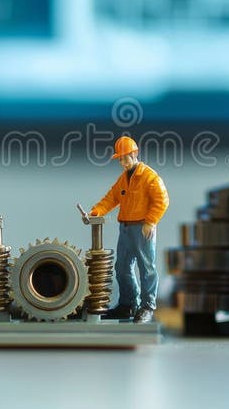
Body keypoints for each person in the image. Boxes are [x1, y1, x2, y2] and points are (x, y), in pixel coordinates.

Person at [88, 136, 169, 323]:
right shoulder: (123, 179)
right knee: (122, 267)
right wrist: (97, 211)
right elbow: (111, 198)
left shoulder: (149, 177)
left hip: (142, 229)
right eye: (120, 159)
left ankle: (147, 307)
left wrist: (151, 222)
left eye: (125, 158)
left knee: (146, 268)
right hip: (125, 229)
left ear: (135, 154)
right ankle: (129, 304)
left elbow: (162, 200)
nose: (123, 163)